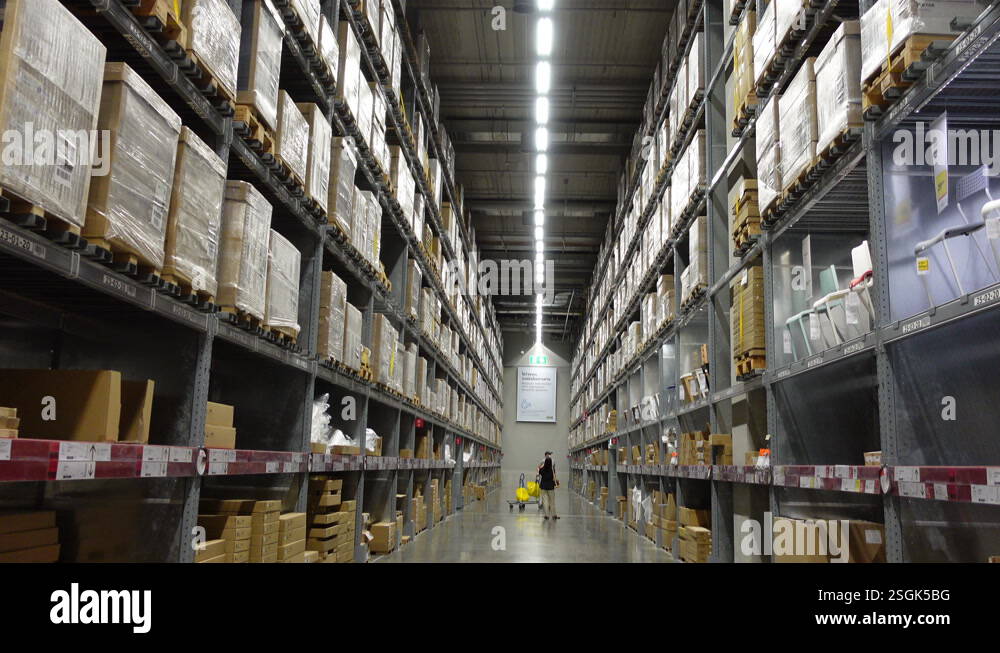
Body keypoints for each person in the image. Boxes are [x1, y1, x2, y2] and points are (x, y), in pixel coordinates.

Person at [537, 452, 559, 520]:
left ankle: (546, 515)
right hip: (550, 487)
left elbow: (538, 469)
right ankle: (554, 515)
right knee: (552, 501)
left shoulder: (542, 470)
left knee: (545, 501)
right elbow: (554, 476)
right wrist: (556, 481)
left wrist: (541, 466)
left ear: (545, 462)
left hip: (543, 487)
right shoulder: (551, 470)